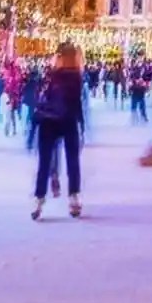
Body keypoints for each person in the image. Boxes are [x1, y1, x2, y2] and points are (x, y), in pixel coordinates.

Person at [31, 44, 86, 220]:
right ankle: (73, 197)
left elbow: (39, 99)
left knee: (45, 163)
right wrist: (81, 124)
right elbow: (76, 103)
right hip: (64, 120)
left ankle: (40, 199)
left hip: (50, 121)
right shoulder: (74, 76)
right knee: (72, 161)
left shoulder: (51, 75)